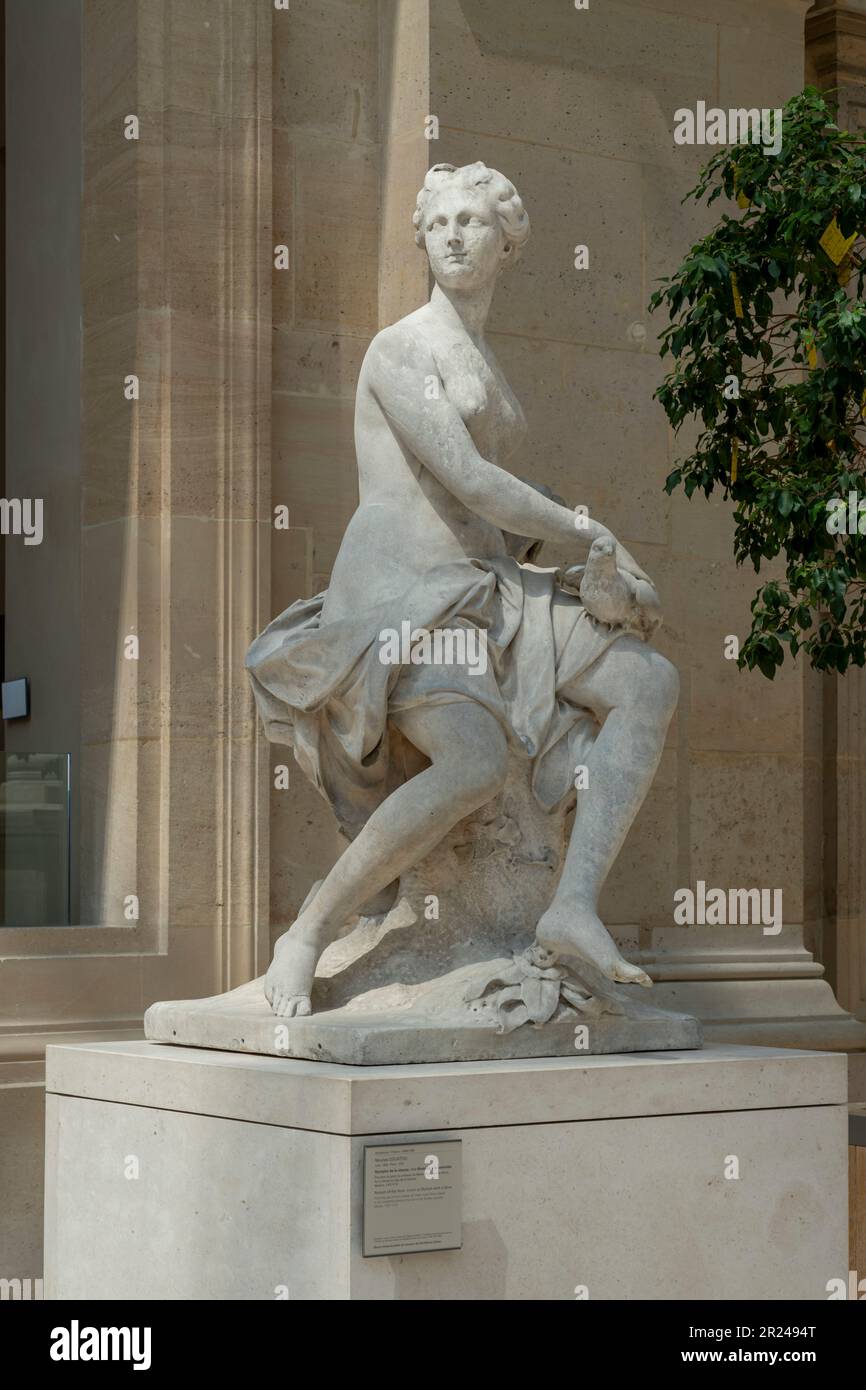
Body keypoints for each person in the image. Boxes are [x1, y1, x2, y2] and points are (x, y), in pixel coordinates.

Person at [247, 162, 678, 1019]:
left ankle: (572, 907)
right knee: (475, 762)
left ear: (508, 243)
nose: (451, 235)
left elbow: (487, 514)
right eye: (438, 222)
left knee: (646, 681)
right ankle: (309, 932)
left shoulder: (484, 358)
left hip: (488, 585)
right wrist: (591, 531)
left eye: (472, 222)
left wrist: (598, 579)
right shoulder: (401, 347)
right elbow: (473, 480)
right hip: (403, 593)